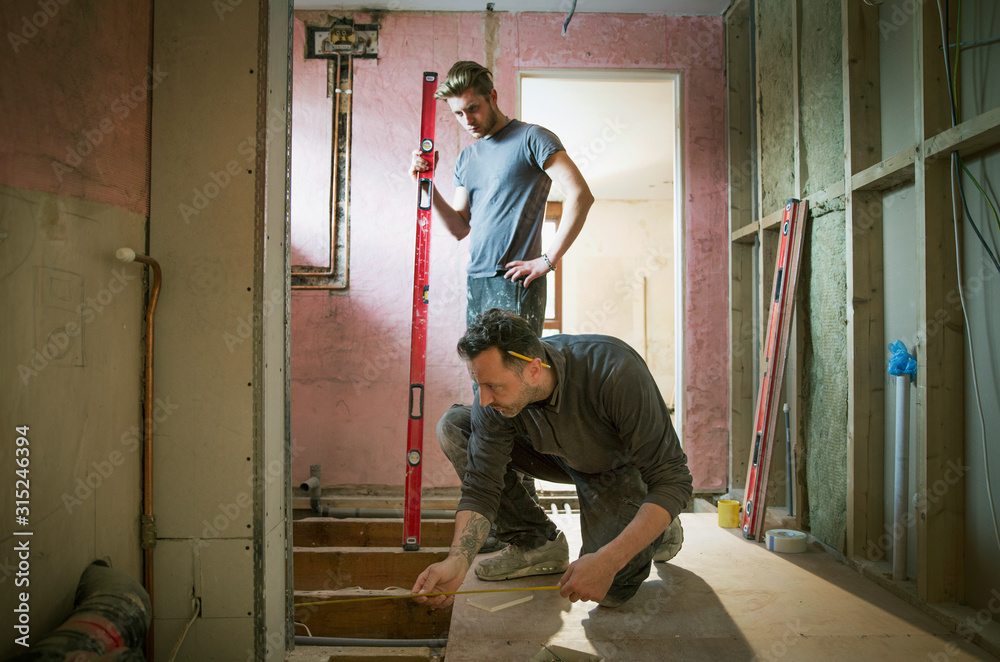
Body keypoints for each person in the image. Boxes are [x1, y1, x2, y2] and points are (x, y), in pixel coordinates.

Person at [409, 61, 595, 552]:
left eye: (473, 106)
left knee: (514, 398)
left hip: (517, 285)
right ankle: (513, 521)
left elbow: (581, 194)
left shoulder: (534, 138)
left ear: (491, 95)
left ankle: (527, 534)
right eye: (457, 112)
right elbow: (457, 227)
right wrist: (425, 184)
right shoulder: (468, 158)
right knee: (488, 400)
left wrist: (547, 259)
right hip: (477, 284)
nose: (467, 118)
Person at [411, 309, 691, 609]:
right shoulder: (493, 400)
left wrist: (609, 560)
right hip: (555, 456)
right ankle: (536, 542)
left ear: (534, 370)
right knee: (454, 425)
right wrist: (458, 561)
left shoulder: (615, 369)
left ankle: (657, 529)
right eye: (479, 385)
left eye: (494, 386)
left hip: (615, 470)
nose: (484, 398)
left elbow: (673, 481)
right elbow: (482, 486)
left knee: (612, 590)